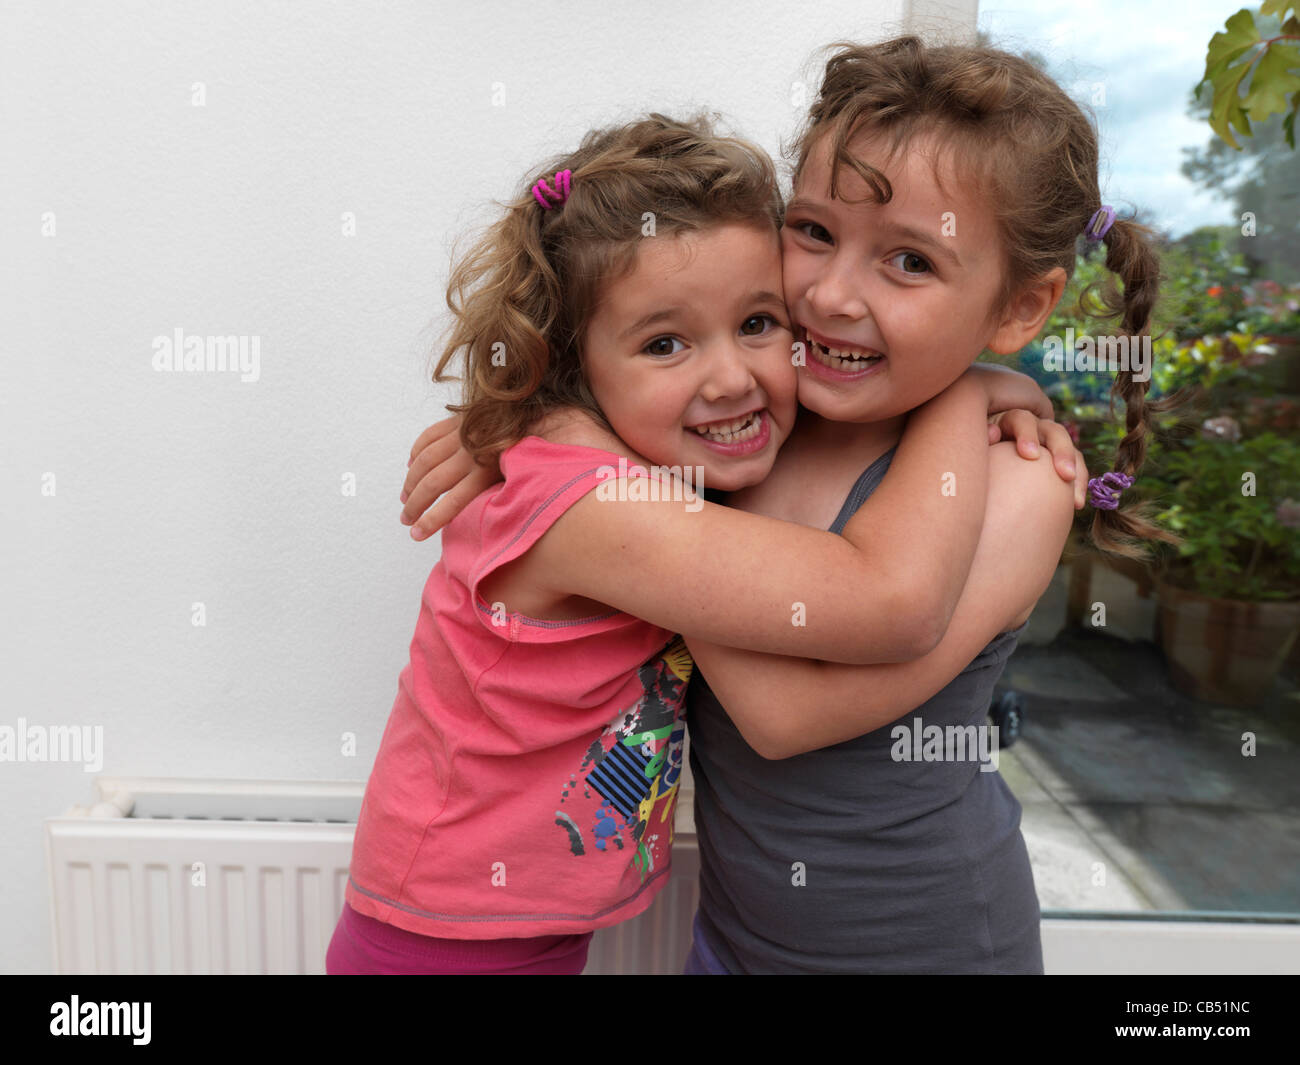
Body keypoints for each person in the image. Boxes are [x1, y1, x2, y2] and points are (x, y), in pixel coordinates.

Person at [361, 104, 1083, 976]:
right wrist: (966, 390)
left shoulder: (678, 457)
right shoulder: (613, 494)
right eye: (666, 342)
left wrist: (536, 417)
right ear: (573, 358)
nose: (733, 375)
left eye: (756, 323)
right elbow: (868, 615)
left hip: (919, 934)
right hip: (462, 935)